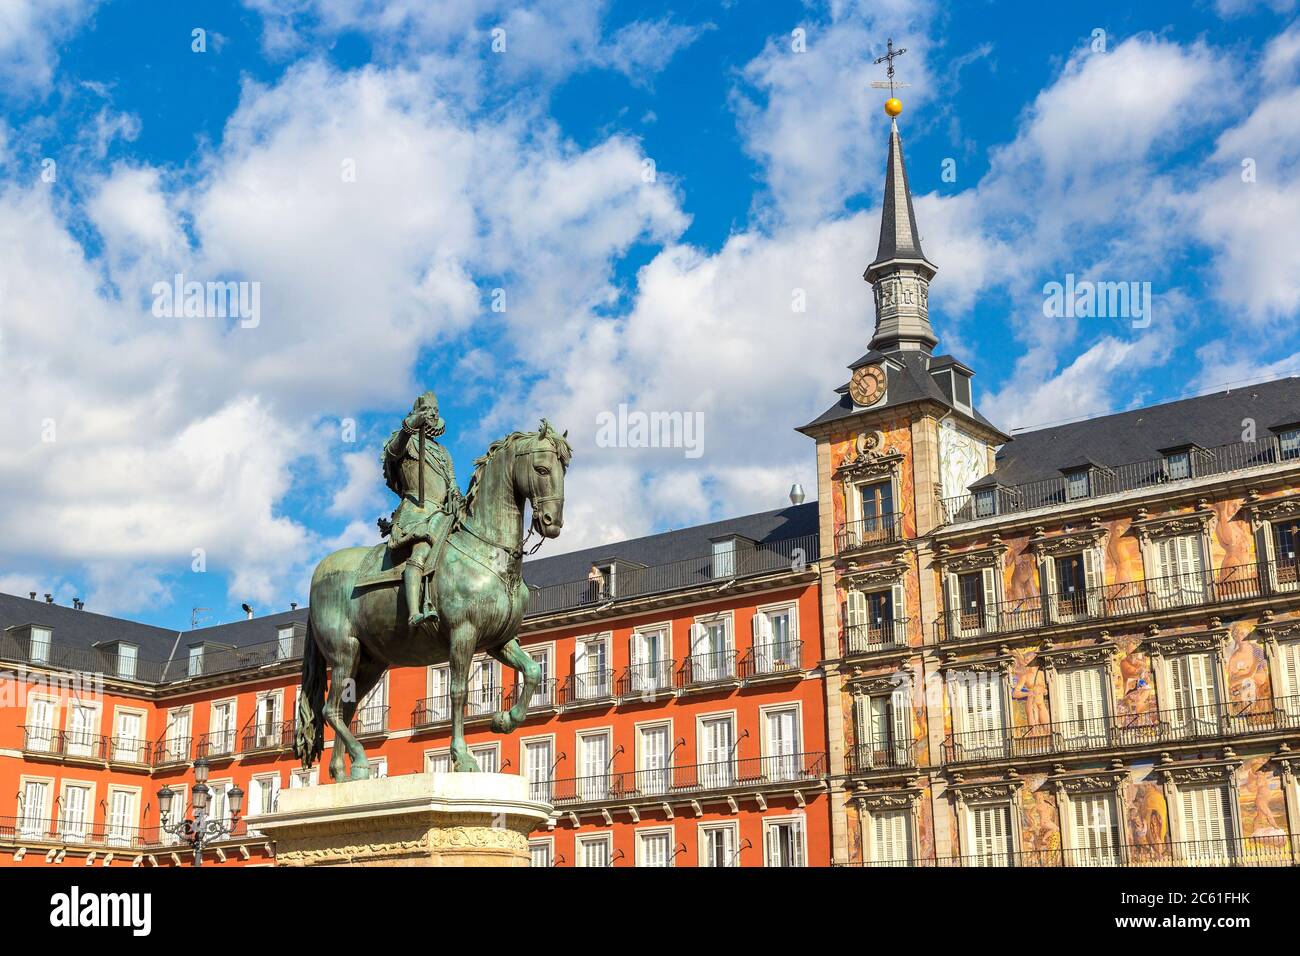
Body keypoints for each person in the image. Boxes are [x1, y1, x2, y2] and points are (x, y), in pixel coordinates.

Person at [381, 391, 460, 628]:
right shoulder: (405, 441)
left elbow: (452, 483)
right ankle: (414, 611)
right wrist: (409, 427)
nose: (433, 414)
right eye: (428, 410)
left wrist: (456, 495)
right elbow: (393, 453)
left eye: (436, 411)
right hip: (417, 509)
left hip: (443, 513)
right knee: (421, 549)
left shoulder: (443, 453)